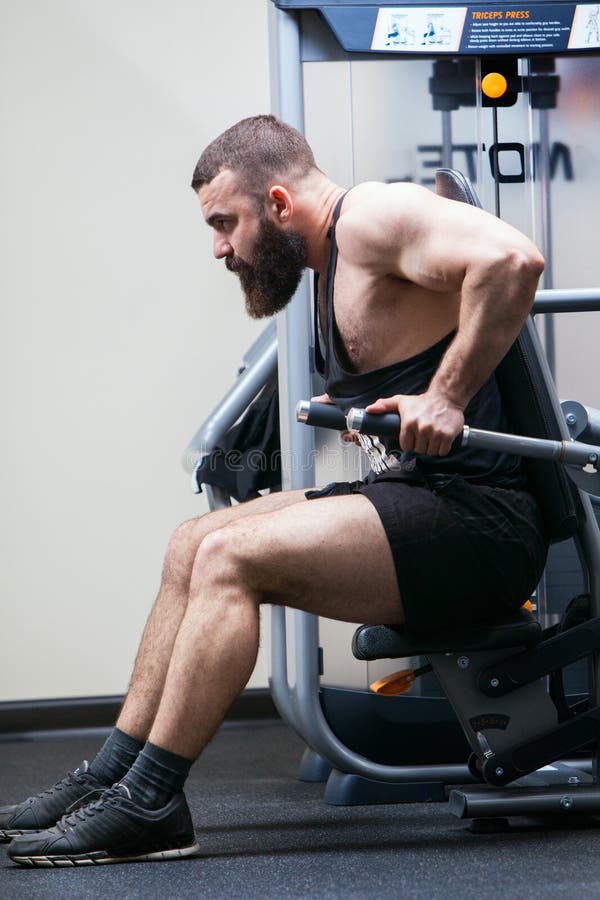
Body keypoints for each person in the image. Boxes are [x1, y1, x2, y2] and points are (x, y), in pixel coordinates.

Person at [1, 114, 548, 867]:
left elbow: (515, 259)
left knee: (230, 556)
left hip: (479, 526)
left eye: (226, 223)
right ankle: (113, 775)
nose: (219, 247)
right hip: (422, 501)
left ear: (281, 204)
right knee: (191, 543)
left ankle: (153, 801)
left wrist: (449, 396)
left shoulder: (376, 218)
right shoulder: (330, 261)